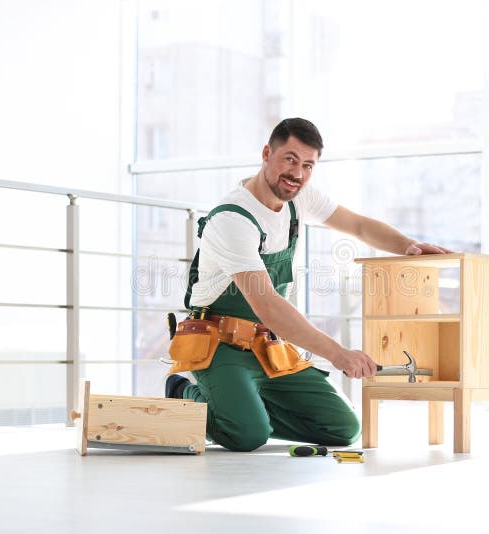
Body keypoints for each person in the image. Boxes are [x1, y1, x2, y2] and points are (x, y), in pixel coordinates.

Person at [165, 118, 451, 452]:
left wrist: (409, 246)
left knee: (342, 429)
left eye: (307, 165)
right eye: (289, 159)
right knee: (246, 435)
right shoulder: (233, 218)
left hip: (265, 346)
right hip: (219, 346)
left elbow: (357, 225)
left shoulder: (299, 199)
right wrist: (338, 354)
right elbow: (268, 304)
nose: (297, 174)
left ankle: (245, 408)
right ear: (267, 153)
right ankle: (183, 390)